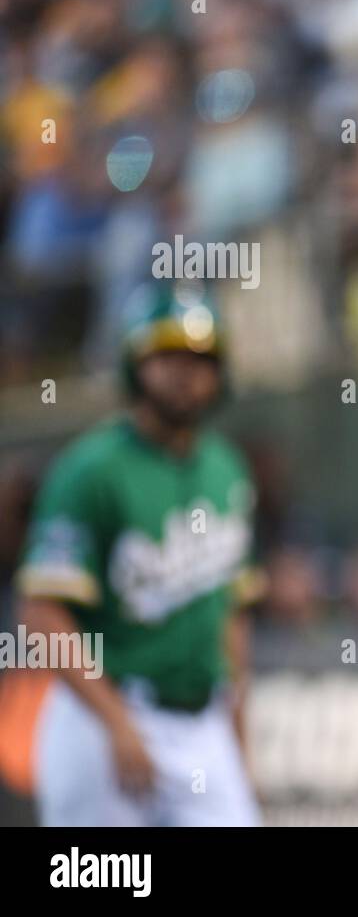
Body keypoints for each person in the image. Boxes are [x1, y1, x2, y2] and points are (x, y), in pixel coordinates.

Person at [17, 281, 261, 826]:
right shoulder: (91, 469)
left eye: (200, 358)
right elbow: (40, 615)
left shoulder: (228, 469)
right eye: (167, 355)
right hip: (104, 715)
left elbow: (232, 613)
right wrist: (116, 724)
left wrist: (239, 736)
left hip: (202, 723)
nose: (185, 372)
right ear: (135, 364)